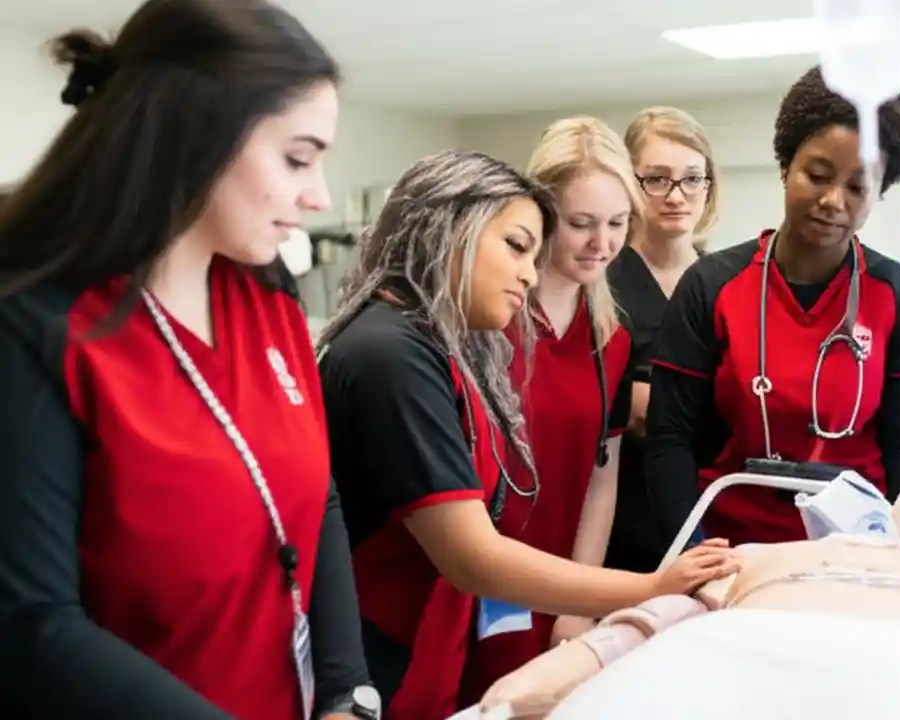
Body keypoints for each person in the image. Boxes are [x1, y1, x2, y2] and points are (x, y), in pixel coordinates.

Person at [0, 1, 375, 718]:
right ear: (195, 134)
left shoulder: (267, 291)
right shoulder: (37, 322)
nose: (318, 193)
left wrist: (346, 693)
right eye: (297, 158)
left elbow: (312, 496)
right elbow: (32, 624)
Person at [316, 149, 738, 719]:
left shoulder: (445, 349)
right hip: (373, 645)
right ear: (451, 230)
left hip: (425, 632)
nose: (528, 273)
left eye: (535, 254)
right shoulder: (389, 355)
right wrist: (649, 588)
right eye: (516, 247)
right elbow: (471, 555)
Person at [478, 475, 900, 720]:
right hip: (717, 659)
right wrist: (550, 679)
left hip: (898, 674)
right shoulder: (768, 555)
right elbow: (659, 619)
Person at [645, 66, 900, 551]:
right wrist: (693, 554)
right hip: (730, 552)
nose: (833, 201)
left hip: (859, 552)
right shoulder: (711, 286)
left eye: (858, 187)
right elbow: (670, 443)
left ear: (879, 193)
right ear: (786, 166)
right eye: (818, 175)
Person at [463, 117, 645, 691]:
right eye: (581, 224)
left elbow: (603, 474)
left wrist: (578, 596)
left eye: (617, 224)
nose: (602, 244)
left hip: (561, 582)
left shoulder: (611, 340)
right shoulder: (488, 321)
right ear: (540, 218)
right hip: (478, 579)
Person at [605, 106, 722, 574]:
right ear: (629, 183)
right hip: (629, 507)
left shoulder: (725, 279)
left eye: (693, 178)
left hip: (716, 499)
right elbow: (615, 405)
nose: (677, 195)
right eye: (656, 179)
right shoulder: (604, 281)